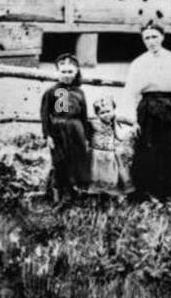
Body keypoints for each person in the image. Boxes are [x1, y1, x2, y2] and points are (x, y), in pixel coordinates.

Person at [125, 21, 171, 198]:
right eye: (147, 38)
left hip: (170, 109)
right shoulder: (138, 63)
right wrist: (133, 120)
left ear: (163, 37)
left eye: (155, 37)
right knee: (147, 150)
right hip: (147, 109)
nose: (151, 41)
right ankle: (147, 193)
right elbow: (130, 92)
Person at [40, 53, 92, 200]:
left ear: (76, 72)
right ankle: (58, 195)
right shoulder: (50, 92)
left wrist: (86, 136)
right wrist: (47, 135)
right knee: (59, 161)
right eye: (63, 72)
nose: (67, 75)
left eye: (70, 72)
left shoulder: (79, 92)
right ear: (57, 72)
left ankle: (75, 193)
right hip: (58, 129)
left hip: (76, 129)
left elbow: (84, 115)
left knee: (77, 160)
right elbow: (44, 115)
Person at [88, 95, 127, 193]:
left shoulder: (113, 122)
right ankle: (97, 195)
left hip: (109, 152)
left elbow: (118, 136)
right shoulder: (94, 123)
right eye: (102, 113)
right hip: (97, 153)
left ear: (113, 111)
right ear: (97, 114)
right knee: (97, 174)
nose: (106, 115)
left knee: (110, 174)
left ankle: (110, 193)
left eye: (108, 111)